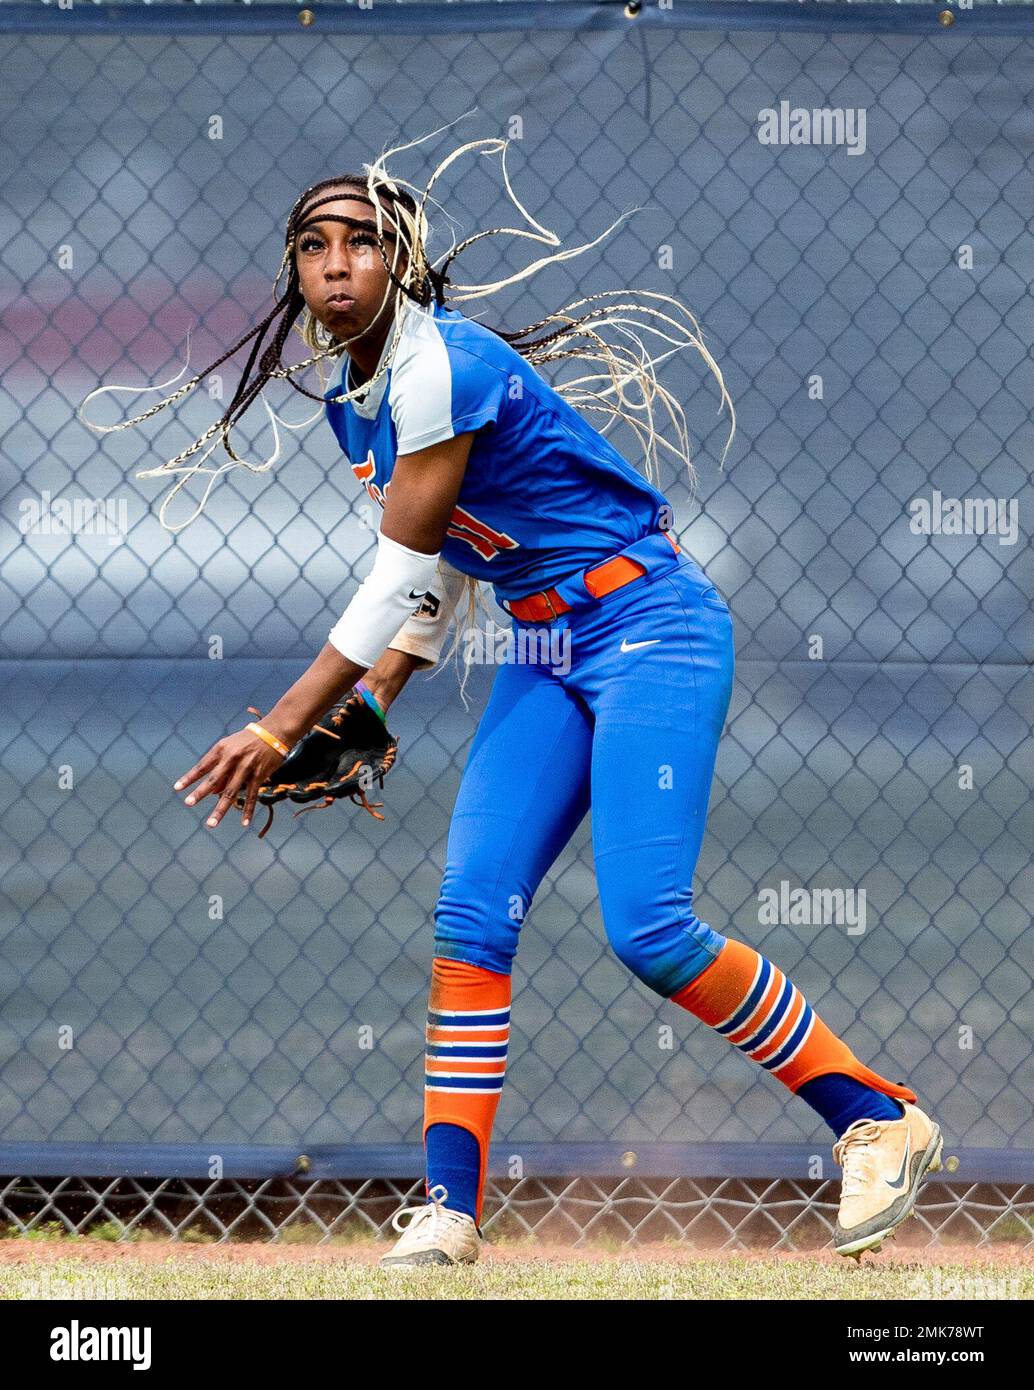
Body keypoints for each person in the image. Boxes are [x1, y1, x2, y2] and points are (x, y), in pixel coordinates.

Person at [79, 128, 943, 1266]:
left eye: (361, 243)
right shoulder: (355, 395)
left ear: (400, 262)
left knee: (647, 928)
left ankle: (873, 1118)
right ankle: (447, 1210)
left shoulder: (448, 362)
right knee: (469, 912)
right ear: (292, 271)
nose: (336, 263)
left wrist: (282, 720)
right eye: (311, 245)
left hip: (647, 628)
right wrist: (380, 695)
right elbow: (438, 565)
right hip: (540, 650)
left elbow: (391, 575)